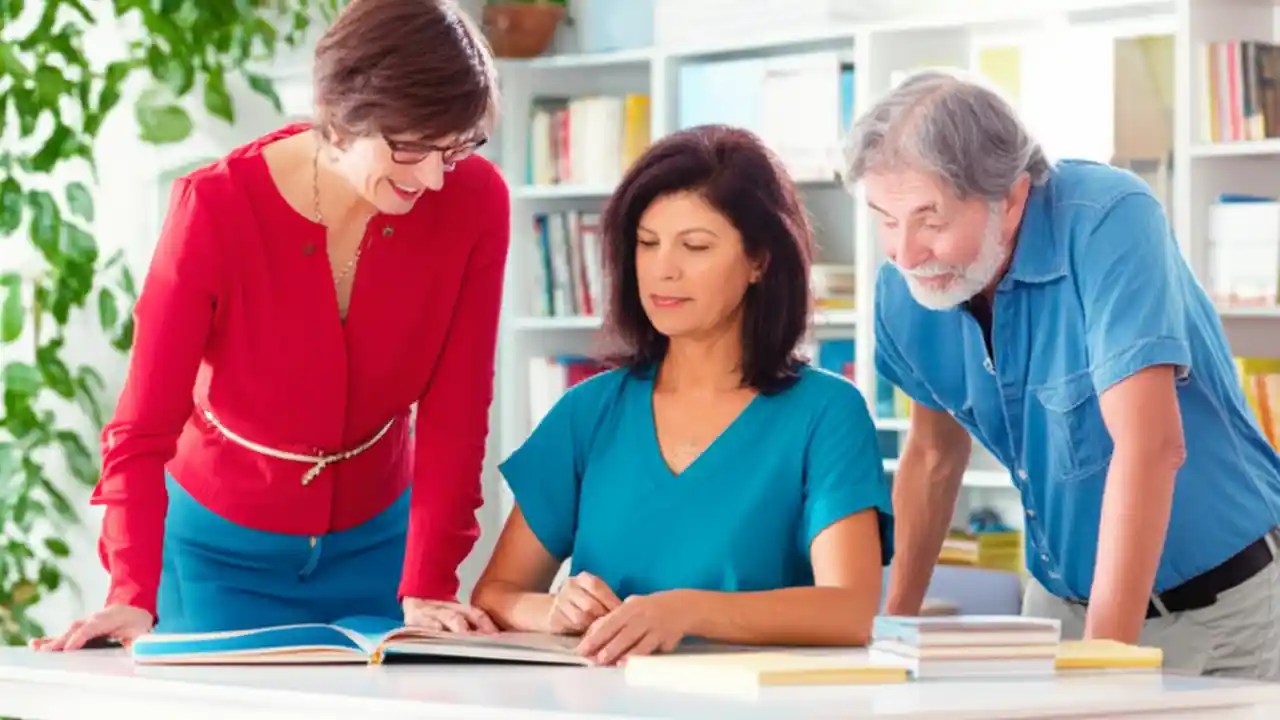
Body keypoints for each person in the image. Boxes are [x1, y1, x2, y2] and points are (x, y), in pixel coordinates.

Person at [34, 0, 508, 651]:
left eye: (453, 149)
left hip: (384, 551)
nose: (431, 177)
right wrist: (130, 594)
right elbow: (142, 428)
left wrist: (430, 579)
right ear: (340, 120)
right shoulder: (216, 209)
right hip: (219, 555)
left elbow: (458, 413)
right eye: (409, 148)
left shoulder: (475, 200)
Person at [844, 68, 1280, 678]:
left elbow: (1151, 446)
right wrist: (892, 638)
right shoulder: (907, 289)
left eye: (930, 220)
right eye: (885, 219)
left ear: (1012, 198)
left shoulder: (1109, 218)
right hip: (1055, 613)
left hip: (1220, 614)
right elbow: (934, 456)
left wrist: (1103, 669)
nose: (904, 253)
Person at [471, 125, 893, 666]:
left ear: (760, 259)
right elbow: (496, 594)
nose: (663, 269)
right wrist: (551, 611)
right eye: (647, 244)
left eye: (695, 246)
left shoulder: (826, 413)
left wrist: (684, 612)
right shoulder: (587, 411)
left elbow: (848, 612)